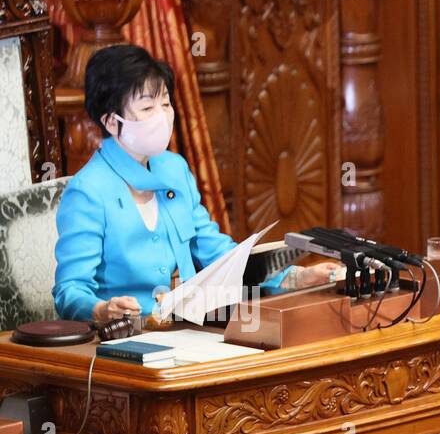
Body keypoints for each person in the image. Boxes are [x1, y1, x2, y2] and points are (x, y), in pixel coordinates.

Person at [53, 44, 334, 334]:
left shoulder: (173, 169)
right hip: (128, 338)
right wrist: (101, 310)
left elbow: (218, 253)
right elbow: (69, 291)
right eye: (148, 107)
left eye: (165, 104)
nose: (162, 116)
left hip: (191, 327)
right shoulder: (87, 191)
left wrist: (295, 277)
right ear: (112, 121)